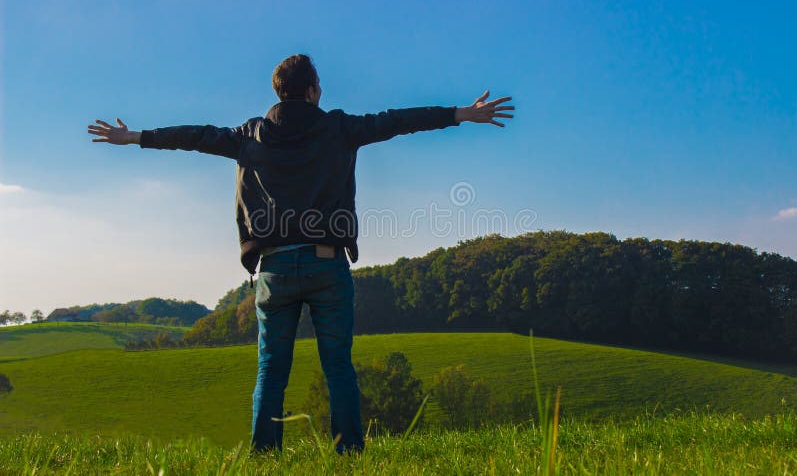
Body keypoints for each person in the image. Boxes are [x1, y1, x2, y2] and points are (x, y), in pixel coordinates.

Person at [87, 54, 514, 454]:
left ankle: (265, 457)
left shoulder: (249, 134)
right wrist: (460, 114)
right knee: (338, 368)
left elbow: (196, 137)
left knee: (271, 370)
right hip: (327, 263)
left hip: (274, 269)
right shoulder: (338, 128)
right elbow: (397, 121)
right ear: (311, 91)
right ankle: (348, 455)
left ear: (279, 92)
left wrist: (135, 137)